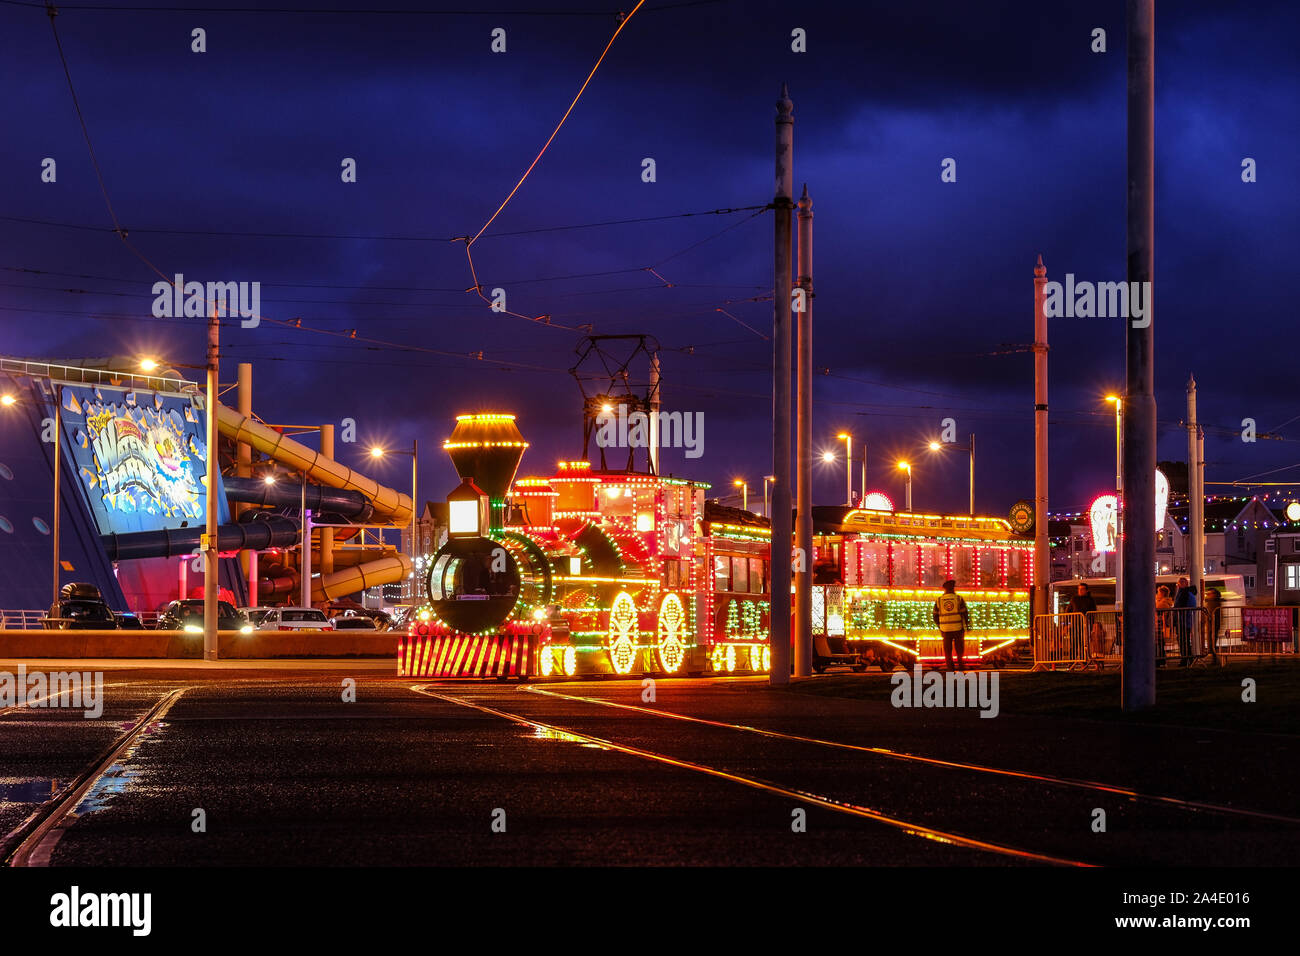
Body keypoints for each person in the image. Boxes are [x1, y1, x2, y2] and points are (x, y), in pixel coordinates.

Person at [933, 579, 970, 671]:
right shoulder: (958, 598)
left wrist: (940, 625)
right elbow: (964, 613)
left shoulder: (939, 600)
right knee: (959, 650)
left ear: (945, 589)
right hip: (958, 628)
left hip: (945, 630)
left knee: (947, 651)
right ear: (953, 588)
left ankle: (950, 669)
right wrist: (967, 625)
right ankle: (961, 667)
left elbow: (935, 615)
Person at [1173, 576, 1198, 666]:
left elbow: (1180, 606)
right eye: (1179, 583)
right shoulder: (1187, 593)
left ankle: (1186, 659)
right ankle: (1188, 658)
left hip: (1183, 621)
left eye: (1181, 583)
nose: (1179, 585)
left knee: (1183, 640)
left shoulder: (1184, 593)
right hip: (1185, 620)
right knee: (1184, 640)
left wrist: (1176, 614)